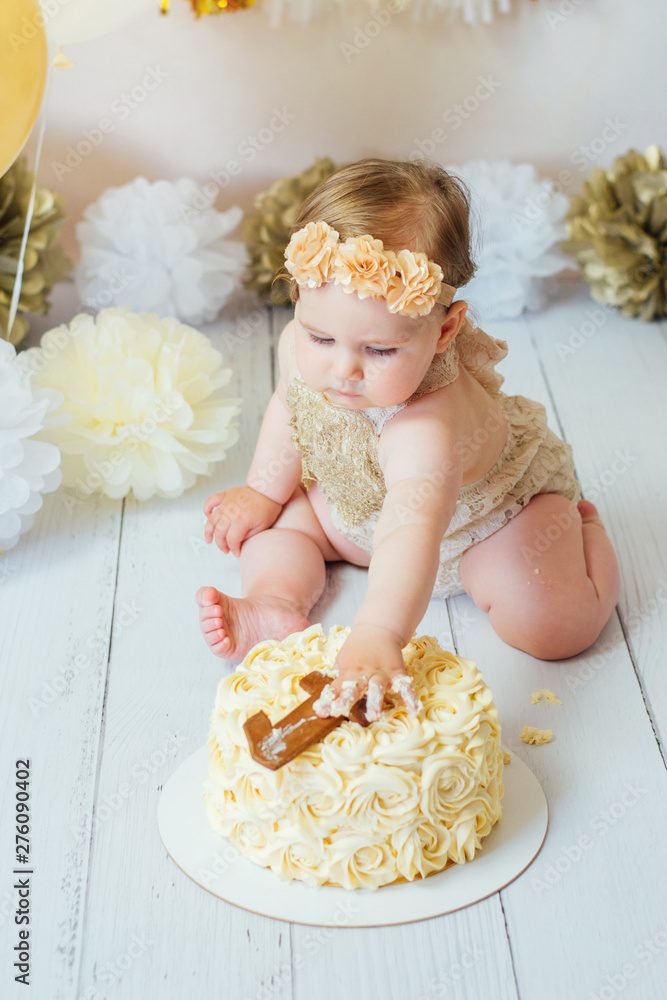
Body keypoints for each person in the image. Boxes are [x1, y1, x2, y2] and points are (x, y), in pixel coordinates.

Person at [196, 158, 620, 723]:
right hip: (362, 510)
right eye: (322, 336)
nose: (343, 370)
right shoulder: (302, 350)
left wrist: (378, 630)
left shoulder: (428, 422)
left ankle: (583, 532)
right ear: (298, 294)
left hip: (481, 526)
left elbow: (412, 526)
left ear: (444, 330)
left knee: (551, 624)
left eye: (380, 351)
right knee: (282, 525)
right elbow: (288, 410)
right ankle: (274, 602)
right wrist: (263, 492)